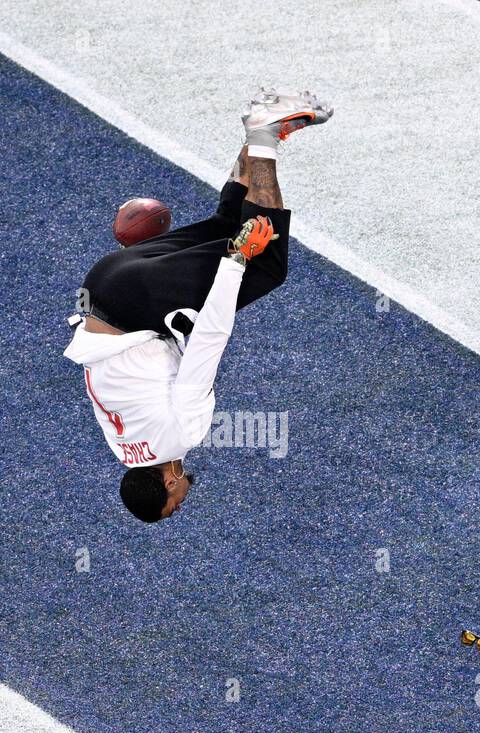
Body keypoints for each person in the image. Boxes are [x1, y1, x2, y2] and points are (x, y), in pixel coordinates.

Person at [64, 88, 333, 521]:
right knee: (229, 224)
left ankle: (263, 132)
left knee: (266, 259)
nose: (186, 493)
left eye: (177, 502)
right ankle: (264, 131)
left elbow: (210, 338)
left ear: (169, 484)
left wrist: (237, 260)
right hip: (101, 287)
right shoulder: (121, 447)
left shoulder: (181, 436)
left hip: (141, 300)